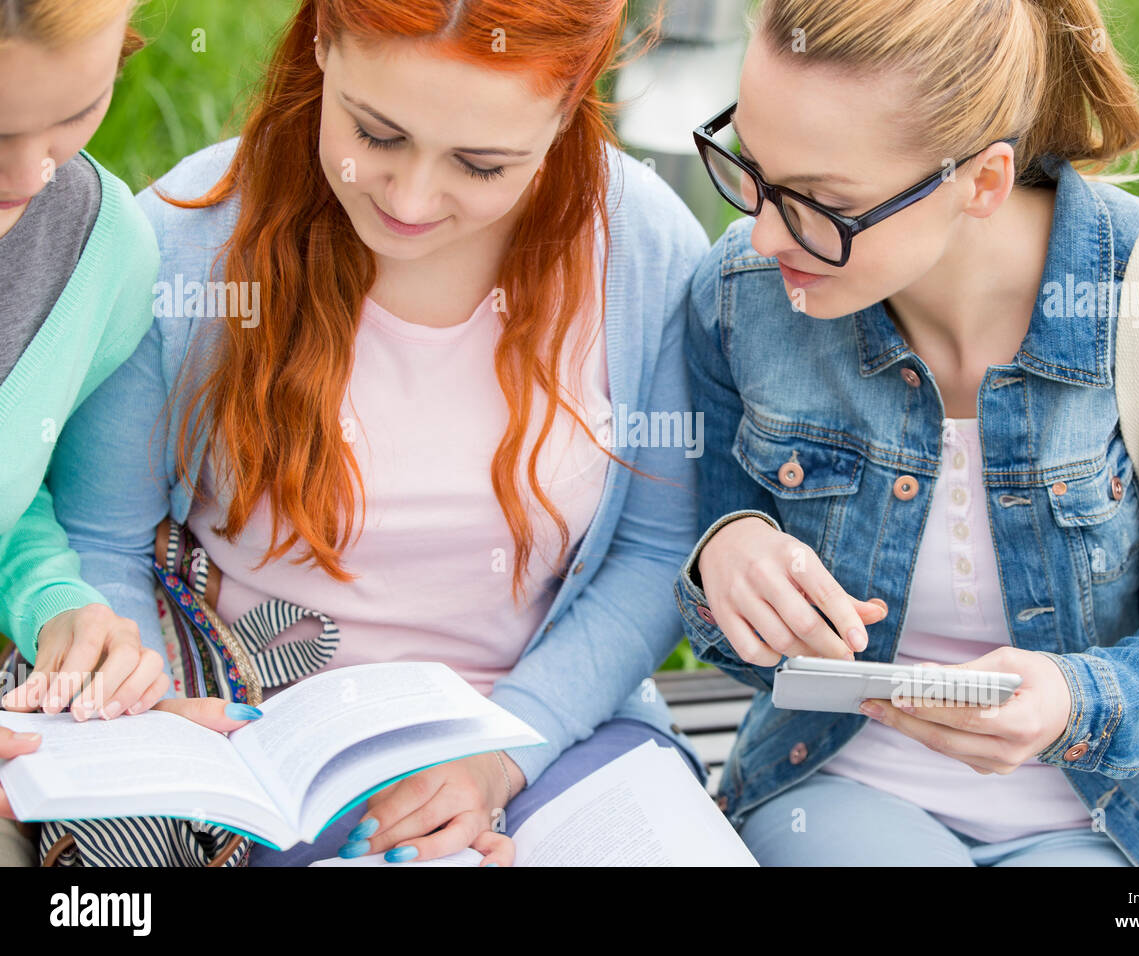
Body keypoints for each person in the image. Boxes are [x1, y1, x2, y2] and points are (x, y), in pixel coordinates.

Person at [50, 0, 709, 866]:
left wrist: (505, 754)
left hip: (552, 730)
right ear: (322, 38)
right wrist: (174, 729)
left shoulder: (642, 246)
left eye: (481, 164)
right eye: (378, 134)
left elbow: (660, 549)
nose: (409, 199)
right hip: (267, 751)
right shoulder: (184, 239)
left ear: (571, 101)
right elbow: (102, 536)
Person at [675, 0, 1139, 867]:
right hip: (837, 786)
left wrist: (1072, 703)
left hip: (1105, 817)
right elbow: (731, 637)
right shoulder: (742, 292)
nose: (766, 231)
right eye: (754, 169)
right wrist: (725, 557)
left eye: (822, 203)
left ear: (983, 182)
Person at [0, 0, 176, 865]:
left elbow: (13, 491)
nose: (30, 175)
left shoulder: (103, 253)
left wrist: (55, 602)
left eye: (75, 113)